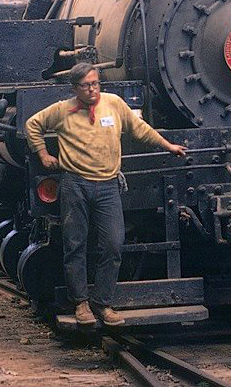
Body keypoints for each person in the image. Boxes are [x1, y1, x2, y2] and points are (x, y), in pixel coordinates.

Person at [25, 62, 187, 326]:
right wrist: (43, 154)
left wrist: (167, 145)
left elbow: (139, 129)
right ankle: (80, 304)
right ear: (75, 88)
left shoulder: (113, 103)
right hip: (75, 185)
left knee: (113, 244)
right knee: (75, 246)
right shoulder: (62, 111)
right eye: (86, 86)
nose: (92, 90)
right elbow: (33, 124)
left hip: (108, 185)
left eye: (95, 83)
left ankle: (103, 303)